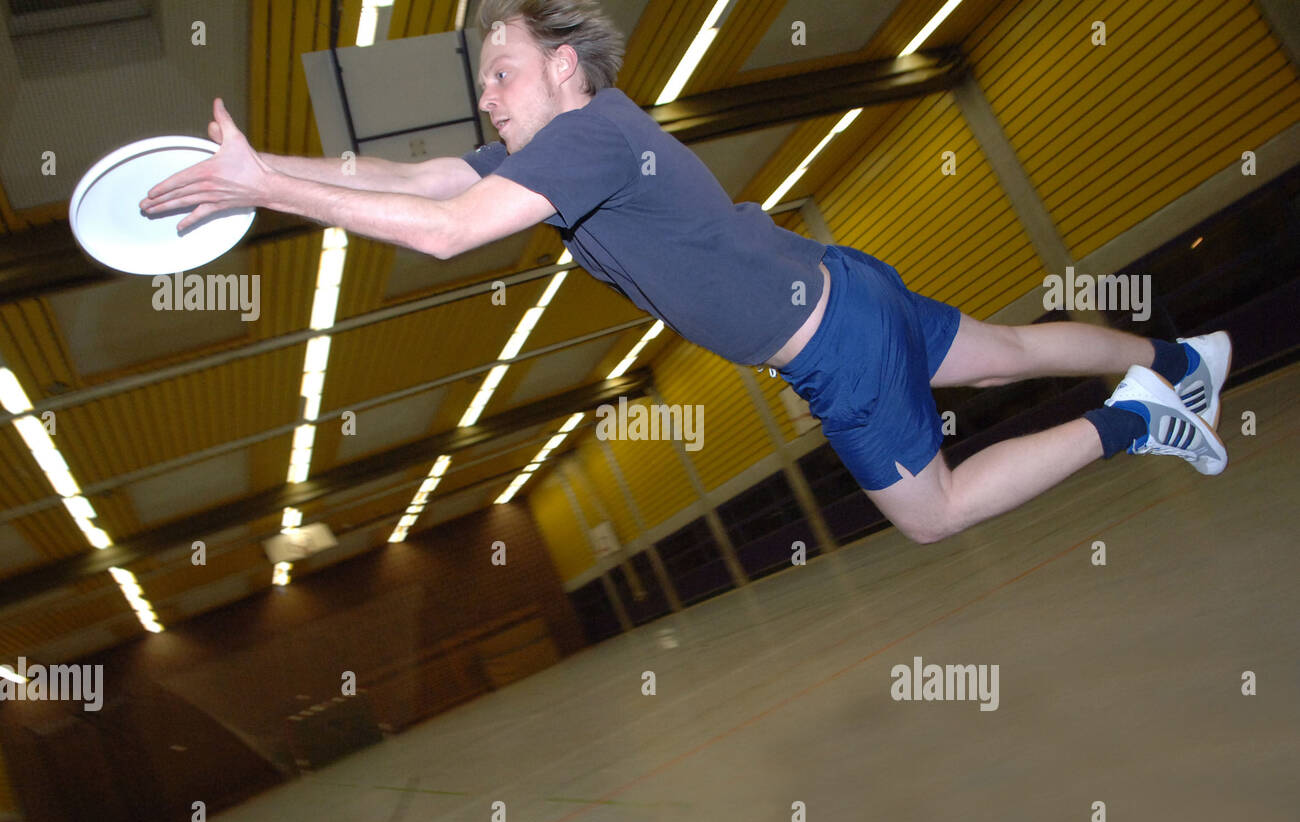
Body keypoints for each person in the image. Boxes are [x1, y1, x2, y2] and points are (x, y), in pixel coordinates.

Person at [139, 0, 1230, 545]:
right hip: (844, 280)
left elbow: (445, 231)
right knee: (1012, 356)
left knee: (931, 513)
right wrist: (253, 163)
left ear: (563, 68)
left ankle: (1142, 417)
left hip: (834, 346)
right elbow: (422, 177)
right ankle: (1185, 356)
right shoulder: (577, 137)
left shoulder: (581, 139)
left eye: (503, 72)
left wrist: (263, 197)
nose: (490, 96)